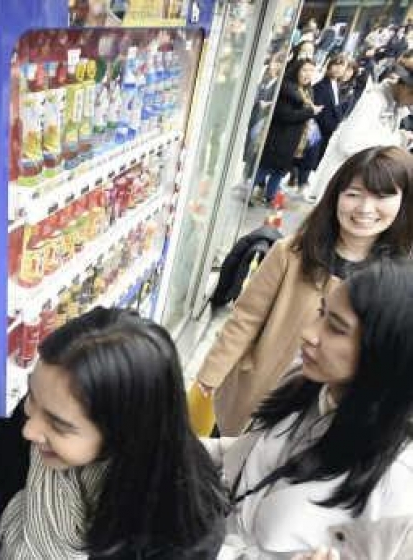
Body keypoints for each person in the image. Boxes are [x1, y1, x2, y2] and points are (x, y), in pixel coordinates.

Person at [0, 307, 228, 559]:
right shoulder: (54, 400)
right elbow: (12, 453)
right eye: (32, 397)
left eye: (59, 426)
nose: (31, 429)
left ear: (125, 437)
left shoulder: (183, 534)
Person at [196, 146, 413, 436]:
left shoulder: (398, 282)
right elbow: (246, 317)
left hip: (324, 417)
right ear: (335, 195)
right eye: (353, 194)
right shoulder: (291, 253)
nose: (365, 208)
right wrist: (212, 373)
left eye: (383, 196)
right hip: (257, 390)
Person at [206, 258, 413, 558]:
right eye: (321, 313)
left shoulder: (397, 485)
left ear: (384, 354)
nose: (309, 333)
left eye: (336, 328)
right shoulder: (306, 381)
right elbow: (249, 456)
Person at [305, 55, 413, 203]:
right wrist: (396, 140)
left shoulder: (393, 105)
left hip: (355, 185)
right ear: (406, 88)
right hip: (342, 184)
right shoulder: (374, 100)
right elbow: (349, 143)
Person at [253, 59, 322, 206]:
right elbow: (285, 115)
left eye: (311, 71)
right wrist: (310, 111)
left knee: (279, 170)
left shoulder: (307, 91)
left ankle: (270, 197)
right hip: (279, 136)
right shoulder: (287, 89)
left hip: (293, 139)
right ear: (296, 70)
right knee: (266, 167)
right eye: (305, 70)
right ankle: (250, 191)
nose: (308, 74)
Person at [312, 55, 348, 172]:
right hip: (321, 130)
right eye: (336, 65)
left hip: (328, 131)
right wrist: (331, 126)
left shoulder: (336, 85)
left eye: (342, 66)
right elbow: (319, 111)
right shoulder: (321, 86)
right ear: (329, 67)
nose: (338, 69)